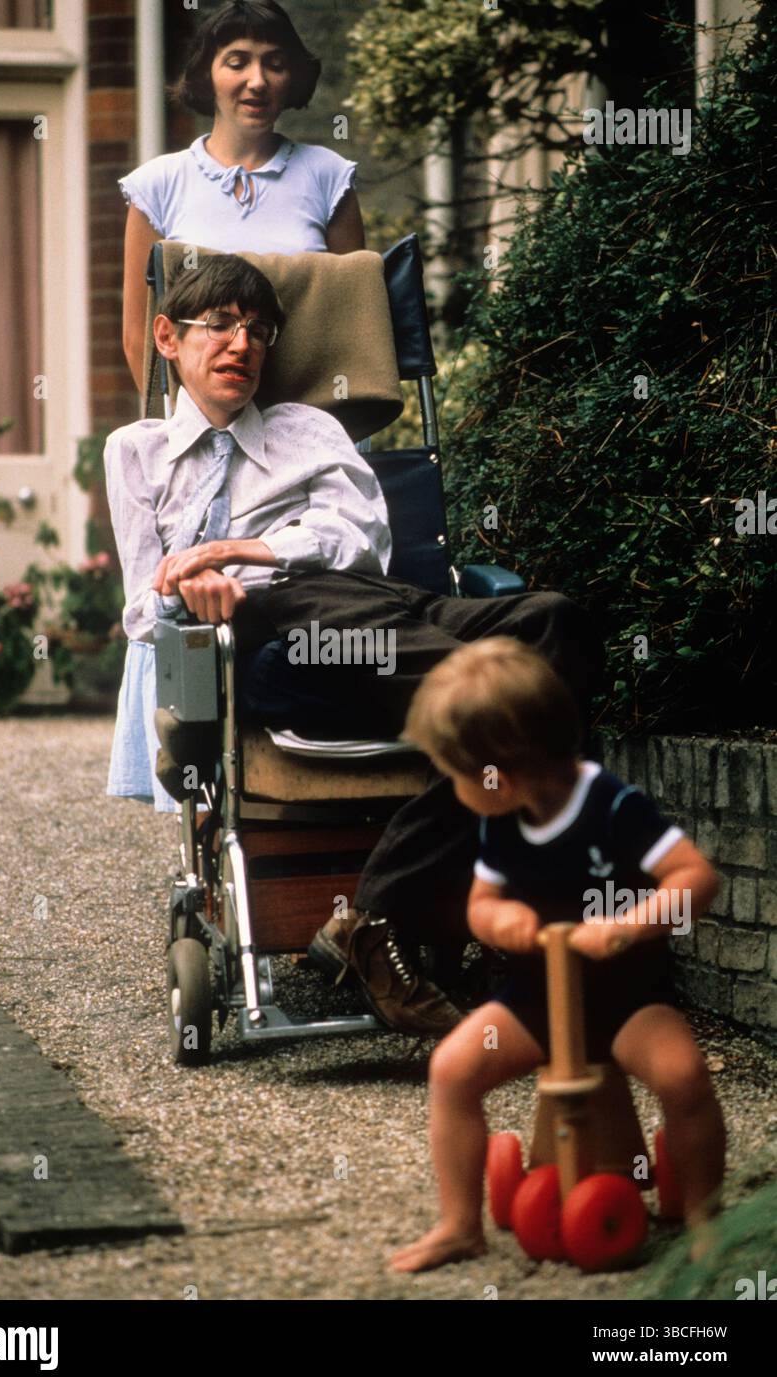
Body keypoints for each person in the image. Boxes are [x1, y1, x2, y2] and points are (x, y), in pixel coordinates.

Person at [105, 252, 606, 1040]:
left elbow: (359, 535)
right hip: (276, 644)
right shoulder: (134, 452)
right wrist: (187, 600)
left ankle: (369, 917)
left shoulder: (310, 428)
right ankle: (391, 918)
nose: (244, 343)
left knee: (555, 622)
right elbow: (141, 604)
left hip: (385, 608)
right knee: (528, 702)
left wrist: (243, 550)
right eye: (221, 325)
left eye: (260, 330)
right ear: (167, 337)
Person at [388, 637, 726, 1273]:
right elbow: (481, 904)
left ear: (502, 772)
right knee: (453, 1070)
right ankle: (460, 1224)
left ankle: (706, 1217)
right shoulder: (502, 818)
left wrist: (626, 927)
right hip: (535, 999)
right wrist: (501, 918)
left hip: (626, 999)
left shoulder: (613, 807)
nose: (457, 790)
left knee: (683, 1078)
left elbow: (694, 878)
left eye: (455, 776)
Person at [120, 0, 364, 393]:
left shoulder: (328, 176)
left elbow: (353, 322)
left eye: (275, 64)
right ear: (207, 75)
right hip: (203, 425)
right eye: (237, 62)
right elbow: (138, 336)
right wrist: (181, 433)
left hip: (312, 421)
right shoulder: (158, 185)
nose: (258, 80)